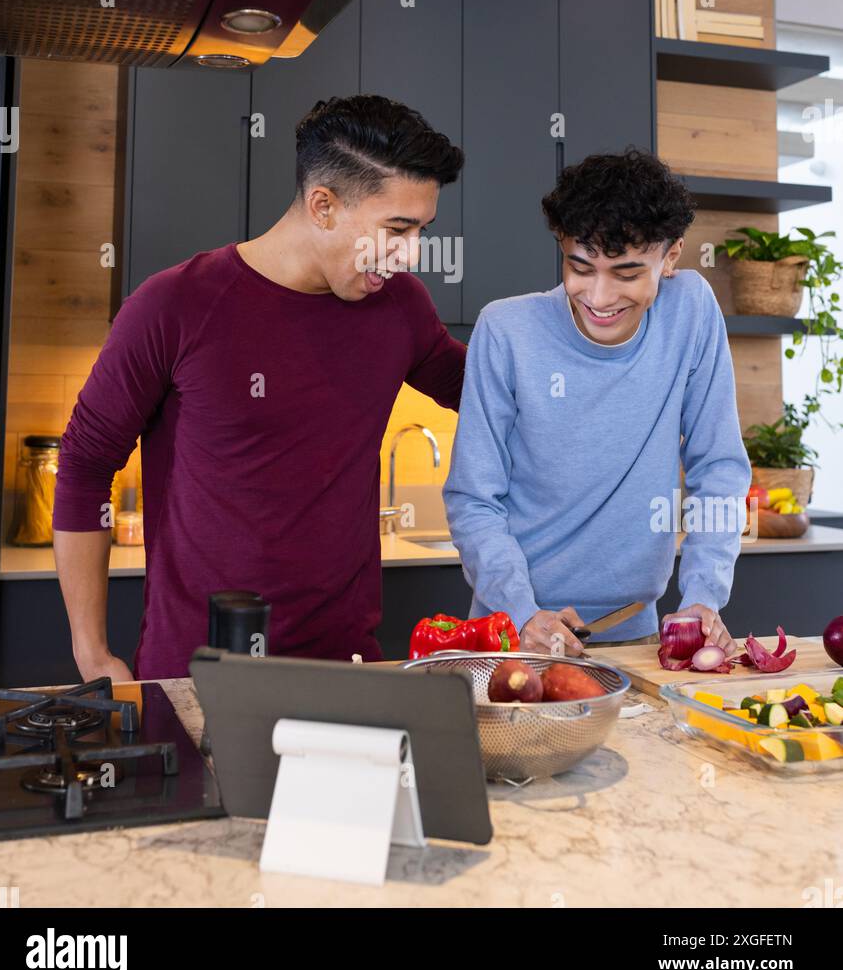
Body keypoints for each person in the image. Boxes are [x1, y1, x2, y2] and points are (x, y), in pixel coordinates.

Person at [53, 95, 466, 680]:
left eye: (422, 230)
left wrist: (589, 311)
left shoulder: (399, 306)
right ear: (323, 206)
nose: (412, 254)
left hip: (348, 670)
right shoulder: (175, 305)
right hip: (196, 674)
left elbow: (482, 389)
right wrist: (92, 655)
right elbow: (85, 465)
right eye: (396, 229)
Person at [443, 147, 751, 659]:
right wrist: (522, 612)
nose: (600, 297)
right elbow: (474, 499)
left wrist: (703, 597)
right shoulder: (506, 330)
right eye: (580, 266)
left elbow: (717, 468)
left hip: (638, 636)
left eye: (627, 274)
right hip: (518, 637)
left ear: (670, 257)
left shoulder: (691, 311)